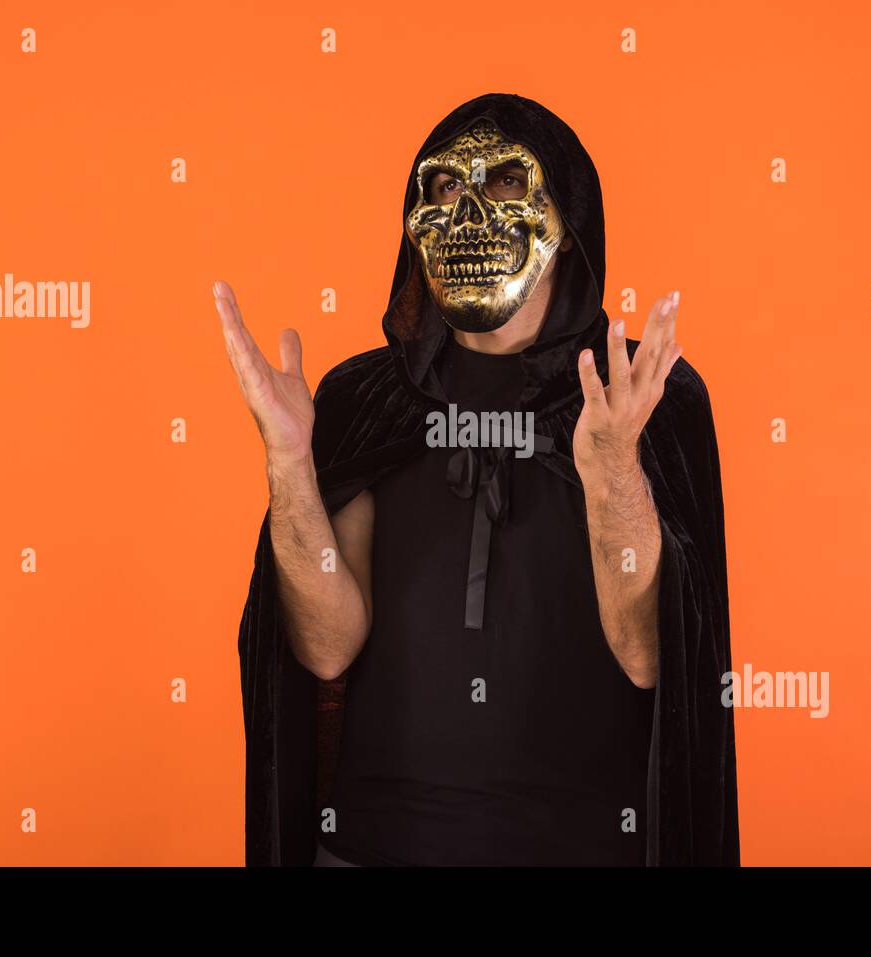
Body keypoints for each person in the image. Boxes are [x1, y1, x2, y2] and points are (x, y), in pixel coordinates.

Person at [214, 92, 738, 866]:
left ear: (568, 225)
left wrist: (613, 470)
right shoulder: (368, 398)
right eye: (446, 189)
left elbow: (651, 658)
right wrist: (290, 466)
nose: (467, 217)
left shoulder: (640, 395)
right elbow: (326, 649)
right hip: (372, 847)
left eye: (503, 184)